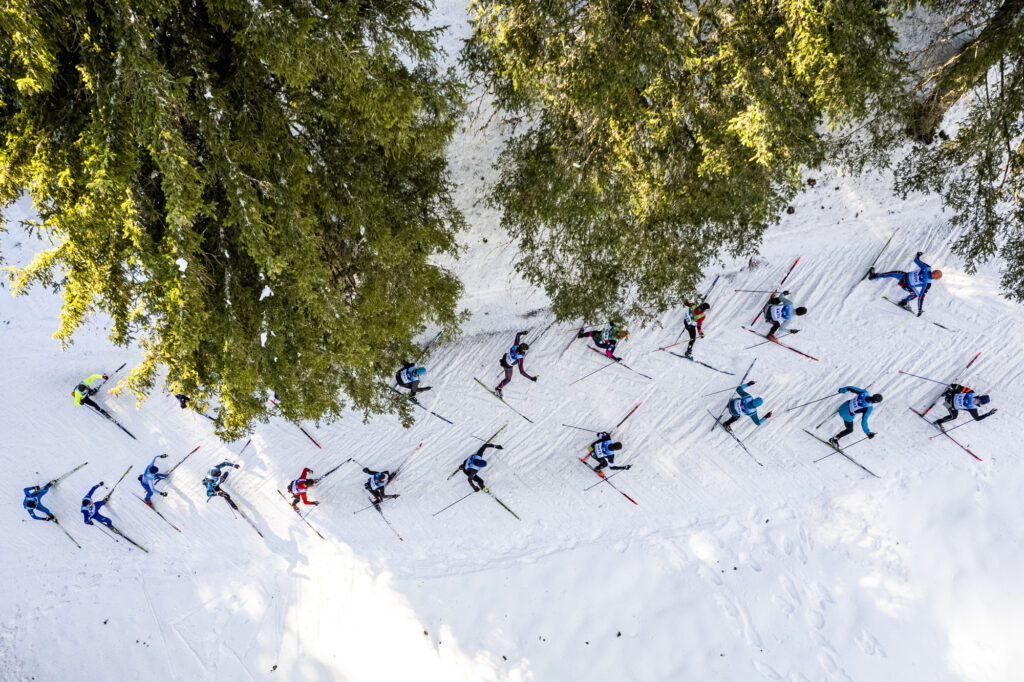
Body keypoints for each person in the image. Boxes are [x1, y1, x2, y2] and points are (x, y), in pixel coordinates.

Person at [869, 252, 942, 316]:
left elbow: (916, 260)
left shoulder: (927, 269)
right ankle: (904, 302)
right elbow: (921, 296)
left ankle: (874, 276)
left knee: (893, 273)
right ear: (936, 278)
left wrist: (918, 255)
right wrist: (920, 309)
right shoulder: (928, 282)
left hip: (905, 279)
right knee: (915, 294)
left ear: (934, 271)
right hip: (906, 282)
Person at [496, 331, 537, 396]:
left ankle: (499, 388)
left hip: (505, 358)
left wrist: (523, 333)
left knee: (512, 358)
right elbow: (521, 372)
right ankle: (498, 388)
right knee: (508, 379)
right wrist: (531, 378)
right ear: (522, 351)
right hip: (507, 366)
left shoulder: (515, 346)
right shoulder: (520, 358)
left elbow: (517, 335)